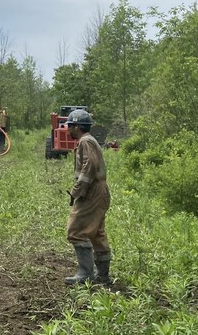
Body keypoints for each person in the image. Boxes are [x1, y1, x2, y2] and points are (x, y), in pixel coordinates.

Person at [63, 108, 112, 285]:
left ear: (77, 126)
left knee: (75, 231)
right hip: (100, 190)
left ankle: (86, 274)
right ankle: (103, 276)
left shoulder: (85, 141)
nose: (68, 129)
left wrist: (78, 190)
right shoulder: (89, 140)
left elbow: (89, 166)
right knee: (96, 233)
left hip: (92, 191)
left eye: (69, 126)